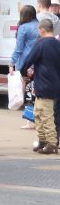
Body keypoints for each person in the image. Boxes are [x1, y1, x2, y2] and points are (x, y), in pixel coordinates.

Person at [20, 18, 60, 154]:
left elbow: (28, 60)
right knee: (38, 112)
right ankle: (42, 140)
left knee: (45, 115)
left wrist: (24, 73)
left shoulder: (41, 44)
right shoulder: (57, 43)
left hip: (44, 84)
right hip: (55, 85)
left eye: (38, 30)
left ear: (42, 30)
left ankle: (51, 143)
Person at [12, 4, 41, 129]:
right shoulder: (40, 25)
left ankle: (31, 120)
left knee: (29, 91)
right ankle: (40, 118)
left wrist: (11, 62)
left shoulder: (23, 28)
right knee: (38, 91)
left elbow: (19, 49)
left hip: (27, 64)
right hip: (40, 63)